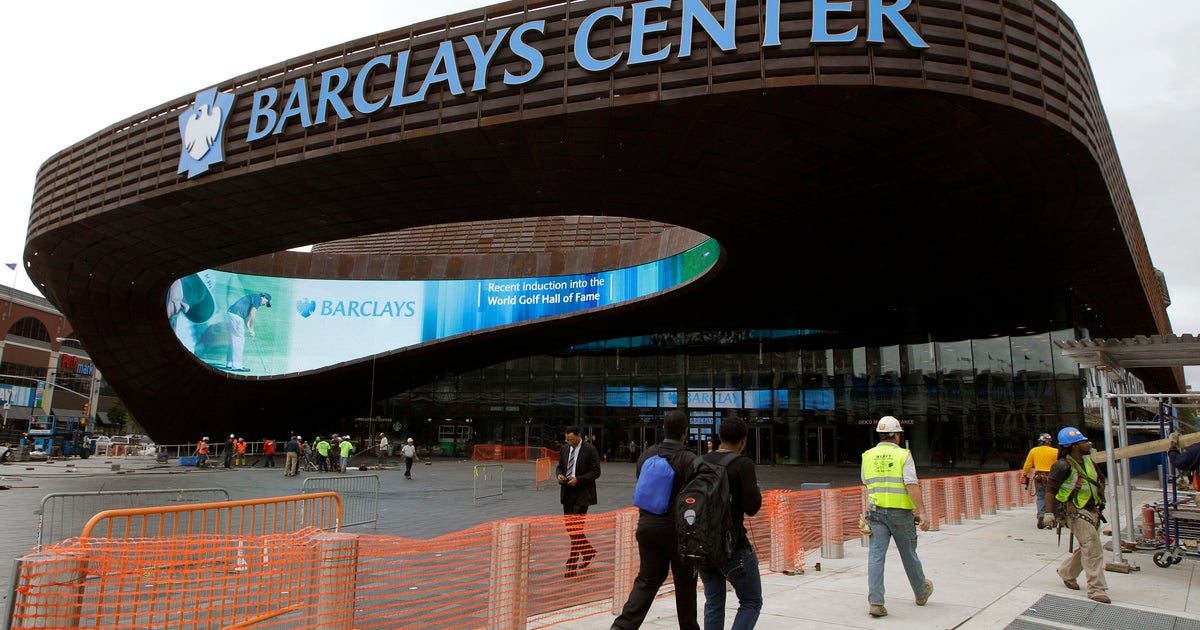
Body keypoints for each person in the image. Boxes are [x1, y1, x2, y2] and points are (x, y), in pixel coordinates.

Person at [611, 409, 700, 630]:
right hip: (678, 531)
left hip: (647, 526)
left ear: (663, 430)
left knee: (647, 581)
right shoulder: (689, 458)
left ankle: (621, 627)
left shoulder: (647, 455)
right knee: (685, 583)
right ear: (685, 431)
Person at [861, 415, 933, 618]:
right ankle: (921, 592)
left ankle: (876, 602)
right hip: (900, 514)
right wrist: (922, 512)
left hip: (876, 513)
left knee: (876, 556)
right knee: (909, 554)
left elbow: (866, 482)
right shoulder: (903, 455)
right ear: (896, 435)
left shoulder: (867, 455)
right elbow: (911, 484)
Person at [698, 418, 763, 630]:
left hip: (704, 545)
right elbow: (752, 507)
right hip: (733, 545)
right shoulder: (743, 464)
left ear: (719, 437)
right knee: (751, 601)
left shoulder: (701, 462)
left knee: (714, 603)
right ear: (743, 441)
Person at [1046, 426, 1110, 603]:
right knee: (1092, 547)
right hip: (1074, 510)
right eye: (1083, 441)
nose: (1088, 443)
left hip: (1092, 509)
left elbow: (1099, 480)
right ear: (1074, 446)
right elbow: (1050, 490)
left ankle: (1067, 572)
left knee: (1088, 546)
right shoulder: (1062, 465)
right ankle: (1096, 589)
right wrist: (1049, 513)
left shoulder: (1088, 462)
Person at [556, 427, 601, 579]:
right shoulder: (564, 449)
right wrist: (560, 475)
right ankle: (588, 551)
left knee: (576, 529)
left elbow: (596, 471)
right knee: (570, 528)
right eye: (567, 440)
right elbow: (559, 467)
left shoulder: (590, 450)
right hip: (567, 491)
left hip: (582, 493)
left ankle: (571, 565)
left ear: (579, 436)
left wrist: (579, 480)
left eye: (572, 440)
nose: (570, 442)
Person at [224, 292, 271, 373]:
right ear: (264, 297)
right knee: (239, 341)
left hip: (231, 314)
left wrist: (249, 329)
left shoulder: (252, 298)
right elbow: (252, 313)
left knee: (233, 340)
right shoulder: (257, 298)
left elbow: (247, 319)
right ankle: (237, 366)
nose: (264, 305)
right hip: (236, 316)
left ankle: (230, 363)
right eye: (266, 302)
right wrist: (252, 328)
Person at [1022, 432, 1060, 529]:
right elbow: (1059, 465)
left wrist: (1024, 474)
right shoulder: (1055, 451)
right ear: (1049, 442)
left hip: (1039, 477)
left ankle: (1041, 516)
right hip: (1053, 477)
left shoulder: (1034, 451)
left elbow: (1027, 465)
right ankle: (1054, 519)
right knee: (1054, 498)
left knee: (1041, 497)